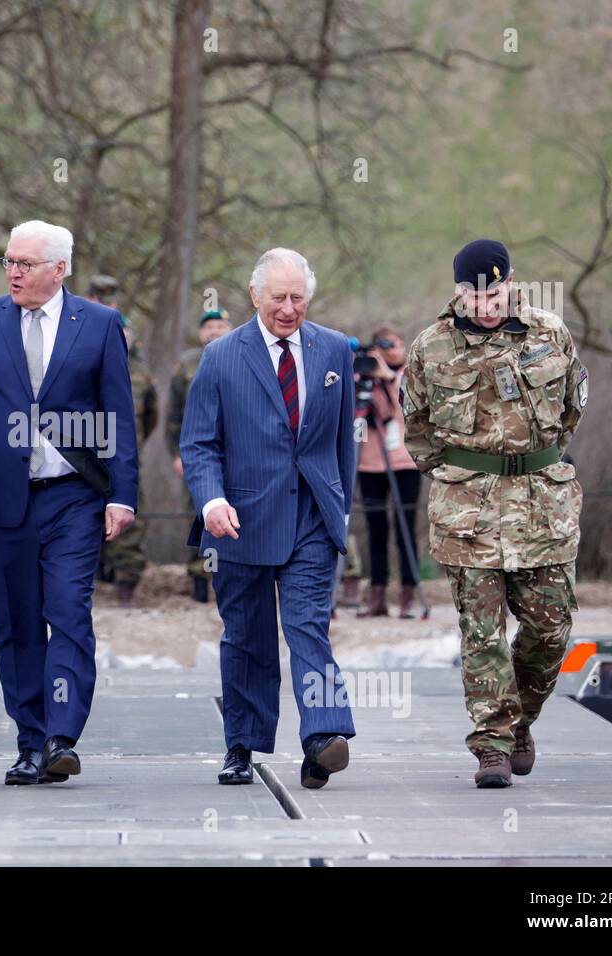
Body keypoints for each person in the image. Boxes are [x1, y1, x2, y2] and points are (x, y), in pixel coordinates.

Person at [0, 220, 138, 786]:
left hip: (73, 497)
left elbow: (117, 416)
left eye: (25, 263)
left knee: (69, 614)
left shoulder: (99, 325)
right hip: (1, 501)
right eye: (8, 261)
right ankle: (30, 740)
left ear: (60, 269)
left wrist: (122, 494)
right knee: (17, 622)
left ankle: (61, 736)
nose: (13, 272)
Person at [403, 238, 587, 788]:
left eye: (495, 291)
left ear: (512, 283)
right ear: (458, 291)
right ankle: (492, 745)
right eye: (474, 294)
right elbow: (418, 432)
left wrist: (533, 461)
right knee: (481, 633)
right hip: (468, 511)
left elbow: (573, 410)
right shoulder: (431, 347)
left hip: (541, 506)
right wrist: (465, 474)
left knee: (550, 631)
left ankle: (520, 719)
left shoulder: (550, 333)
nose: (486, 303)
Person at [180, 247, 356, 790]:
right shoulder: (221, 357)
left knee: (309, 626)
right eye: (277, 297)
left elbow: (341, 440)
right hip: (241, 518)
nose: (287, 308)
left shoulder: (332, 350)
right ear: (254, 296)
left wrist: (340, 507)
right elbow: (199, 443)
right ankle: (242, 744)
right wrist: (210, 501)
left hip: (311, 516)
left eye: (297, 297)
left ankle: (323, 737)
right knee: (247, 636)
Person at [90, 276, 159, 606]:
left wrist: (134, 444)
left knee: (130, 513)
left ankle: (126, 583)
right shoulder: (82, 355)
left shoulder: (139, 372)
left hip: (126, 453)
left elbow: (152, 415)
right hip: (85, 449)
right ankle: (90, 578)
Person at [166, 310, 232, 602]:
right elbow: (172, 415)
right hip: (198, 452)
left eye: (220, 325)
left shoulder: (241, 356)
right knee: (198, 511)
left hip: (235, 453)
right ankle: (198, 580)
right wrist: (177, 453)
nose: (214, 331)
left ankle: (228, 576)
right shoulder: (187, 364)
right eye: (209, 326)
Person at [355, 326, 421, 618]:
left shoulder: (411, 371)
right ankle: (377, 597)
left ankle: (408, 596)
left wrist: (389, 378)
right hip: (370, 463)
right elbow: (363, 412)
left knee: (405, 528)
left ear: (403, 345)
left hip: (404, 462)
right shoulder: (365, 374)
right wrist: (363, 378)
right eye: (384, 346)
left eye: (394, 345)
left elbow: (407, 408)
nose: (390, 351)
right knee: (376, 531)